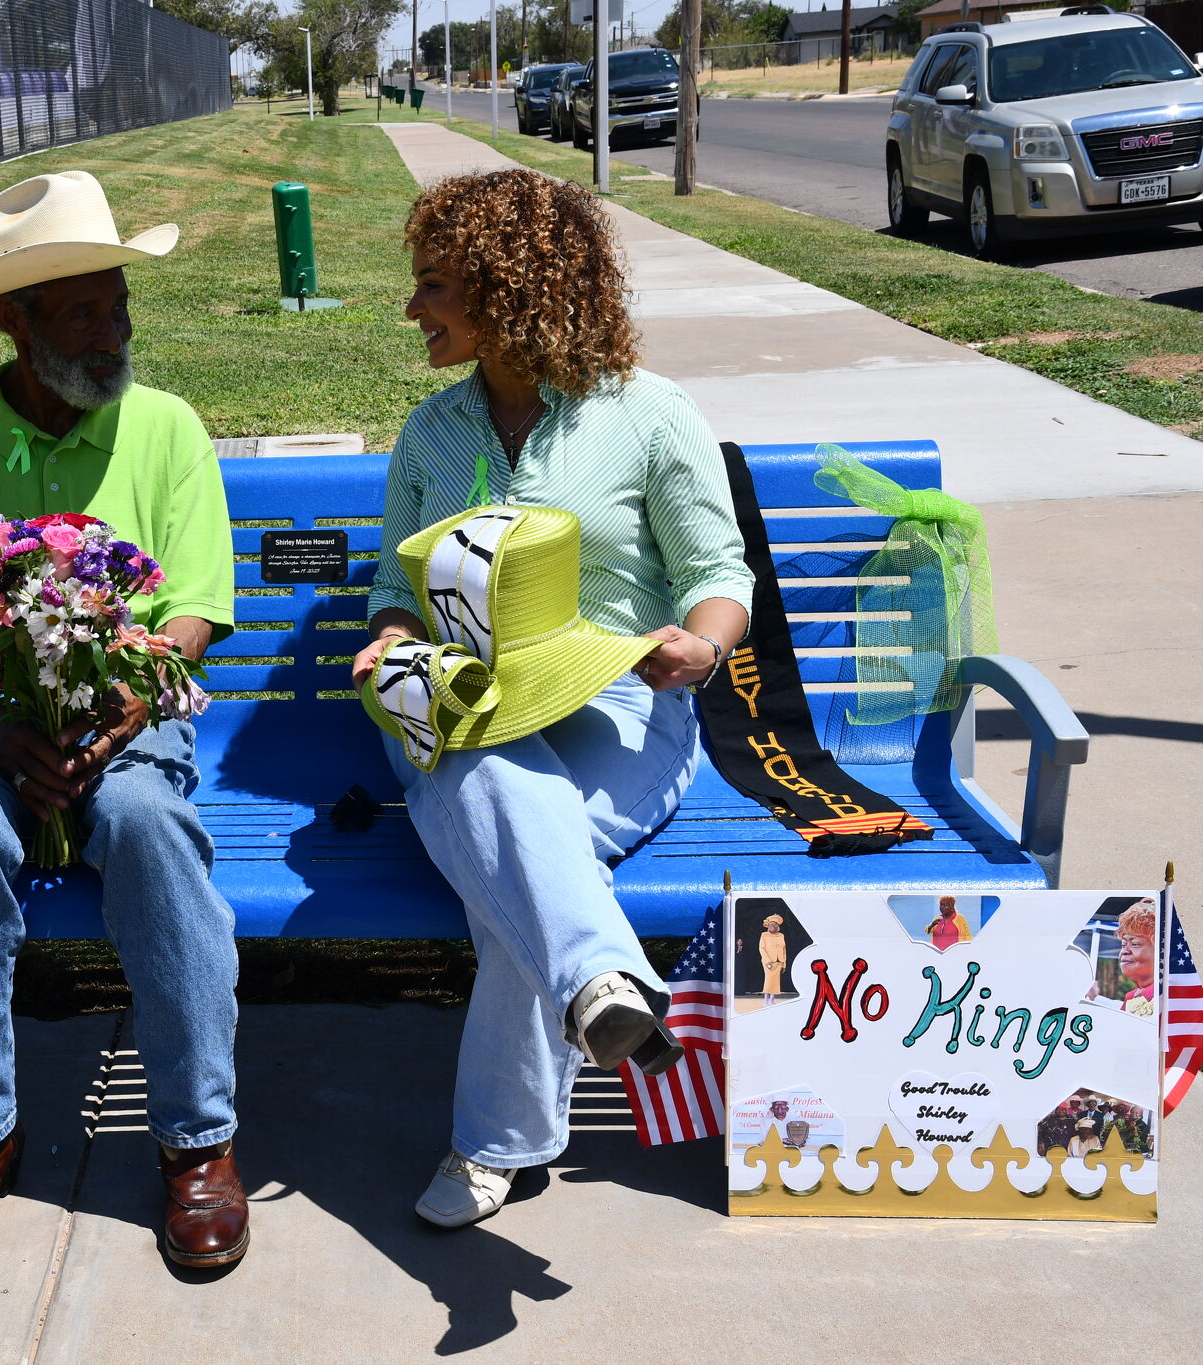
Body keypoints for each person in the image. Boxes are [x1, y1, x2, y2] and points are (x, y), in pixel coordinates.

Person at [350, 169, 754, 1228]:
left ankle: (499, 1139)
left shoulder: (648, 416)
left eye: (432, 284)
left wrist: (699, 650)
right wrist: (388, 647)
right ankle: (597, 987)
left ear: (506, 289)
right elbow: (395, 589)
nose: (409, 310)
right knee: (491, 783)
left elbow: (718, 571)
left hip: (618, 709)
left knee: (523, 869)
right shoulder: (431, 433)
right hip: (459, 707)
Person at [0, 170, 245, 1267]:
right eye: (82, 310)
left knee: (144, 826)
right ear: (13, 318)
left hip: (131, 724)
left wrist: (125, 706)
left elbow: (193, 606)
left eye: (118, 303)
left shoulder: (166, 428)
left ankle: (196, 1145)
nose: (113, 329)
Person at [1117, 898, 1157, 1017]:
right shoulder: (1130, 997)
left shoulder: (1165, 994)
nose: (1124, 951)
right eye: (1123, 944)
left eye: (1135, 944)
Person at [760, 915, 789, 1008]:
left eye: (775, 925)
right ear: (768, 925)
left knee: (776, 981)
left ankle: (772, 998)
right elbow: (762, 948)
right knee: (769, 979)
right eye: (771, 924)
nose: (773, 926)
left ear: (778, 926)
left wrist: (784, 964)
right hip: (768, 961)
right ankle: (765, 998)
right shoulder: (764, 935)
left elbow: (784, 950)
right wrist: (767, 961)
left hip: (779, 960)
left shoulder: (781, 935)